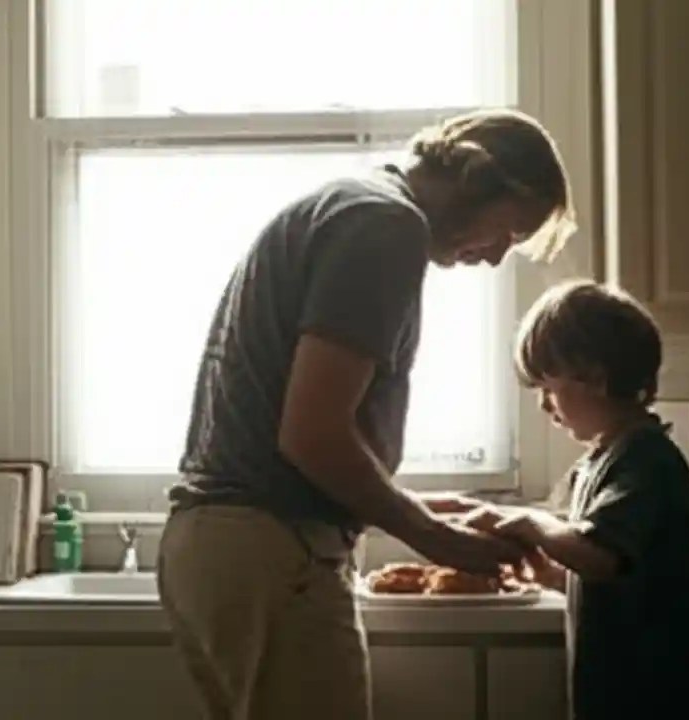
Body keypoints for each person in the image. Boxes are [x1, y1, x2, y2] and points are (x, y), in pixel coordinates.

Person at [156, 108, 577, 720]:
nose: (491, 259)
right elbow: (312, 435)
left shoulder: (346, 205)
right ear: (478, 180)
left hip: (229, 547)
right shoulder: (387, 226)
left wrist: (426, 509)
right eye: (508, 232)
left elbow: (303, 434)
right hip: (271, 552)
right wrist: (433, 538)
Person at [486, 279, 689, 720]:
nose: (546, 407)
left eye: (550, 388)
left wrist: (533, 524)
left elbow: (603, 556)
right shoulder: (602, 460)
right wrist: (554, 578)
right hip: (625, 696)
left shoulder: (644, 456)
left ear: (596, 379)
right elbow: (617, 581)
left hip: (666, 697)